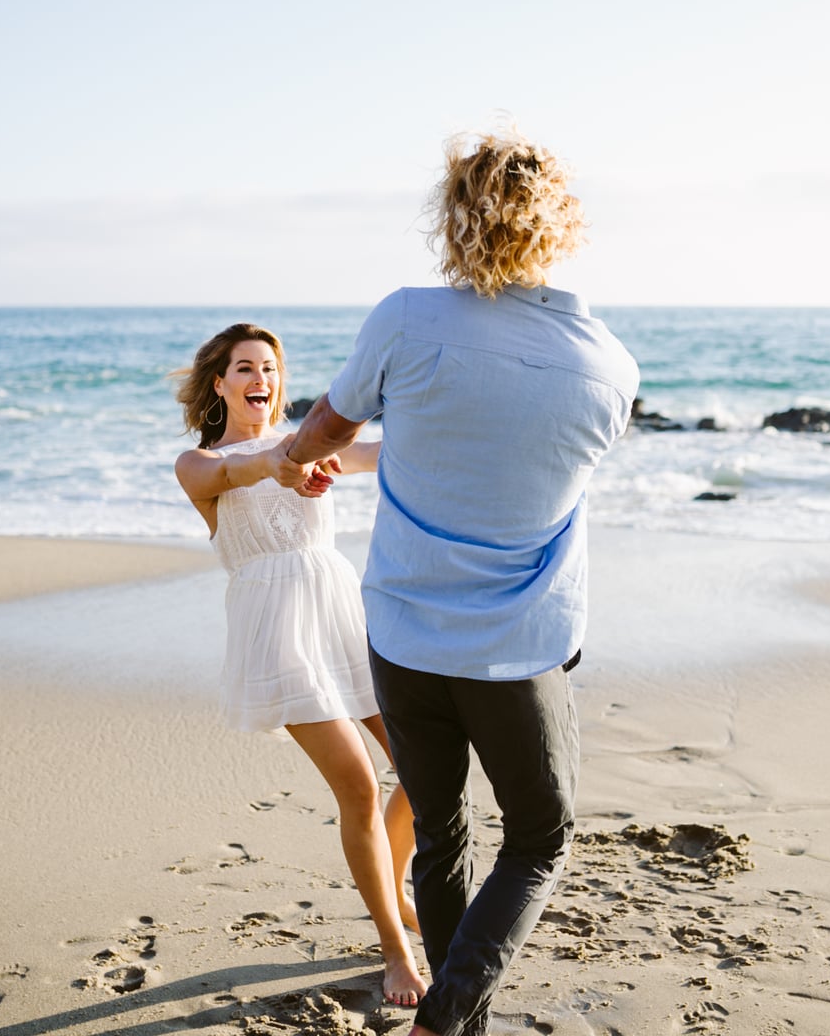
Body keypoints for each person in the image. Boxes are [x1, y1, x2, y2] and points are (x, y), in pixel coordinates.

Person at [267, 131, 640, 1036]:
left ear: (455, 218)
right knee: (539, 839)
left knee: (442, 834)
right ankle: (443, 1022)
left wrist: (295, 461)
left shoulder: (406, 319)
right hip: (520, 646)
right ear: (560, 224)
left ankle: (451, 1021)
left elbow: (327, 428)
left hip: (403, 631)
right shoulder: (608, 367)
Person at [172, 323, 426, 1007]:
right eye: (245, 368)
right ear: (220, 383)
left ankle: (394, 886)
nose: (261, 378)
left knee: (425, 769)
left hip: (343, 618)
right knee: (360, 788)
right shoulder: (197, 464)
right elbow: (236, 472)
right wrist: (286, 460)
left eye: (270, 368)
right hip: (278, 635)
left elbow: (388, 452)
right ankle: (394, 950)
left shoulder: (316, 446)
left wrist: (448, 415)